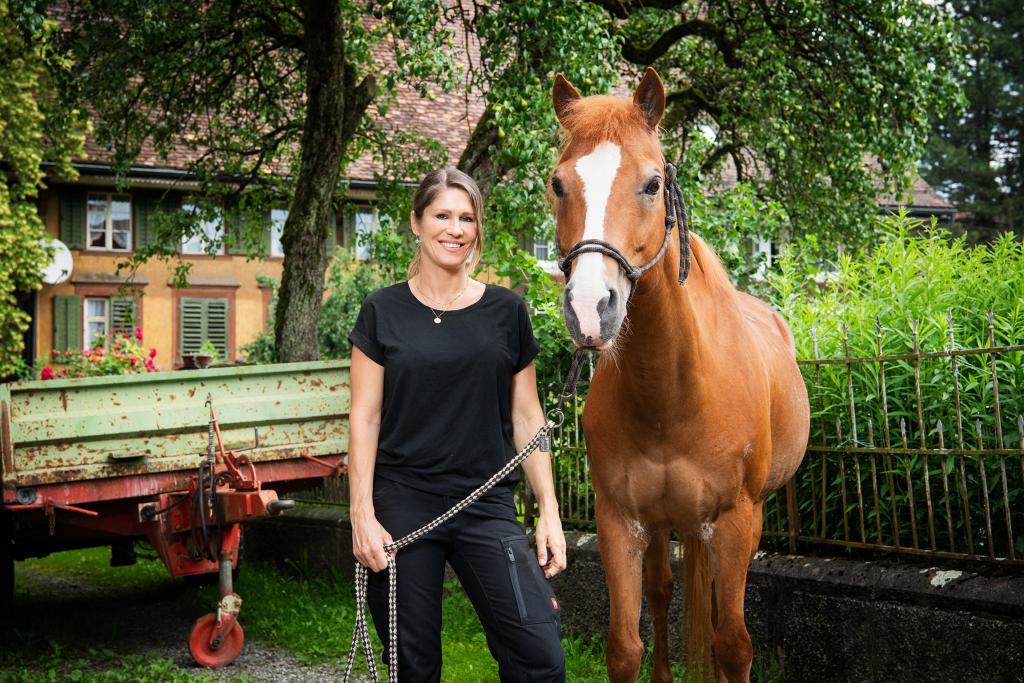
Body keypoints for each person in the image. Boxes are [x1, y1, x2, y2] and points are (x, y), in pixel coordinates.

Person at [347, 167, 568, 682]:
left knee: (540, 658)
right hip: (402, 505)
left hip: (485, 505)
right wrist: (361, 514)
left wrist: (550, 512)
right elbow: (365, 415)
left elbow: (526, 415)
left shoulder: (506, 310)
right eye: (442, 215)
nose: (455, 229)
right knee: (413, 667)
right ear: (417, 223)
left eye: (466, 218)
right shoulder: (382, 311)